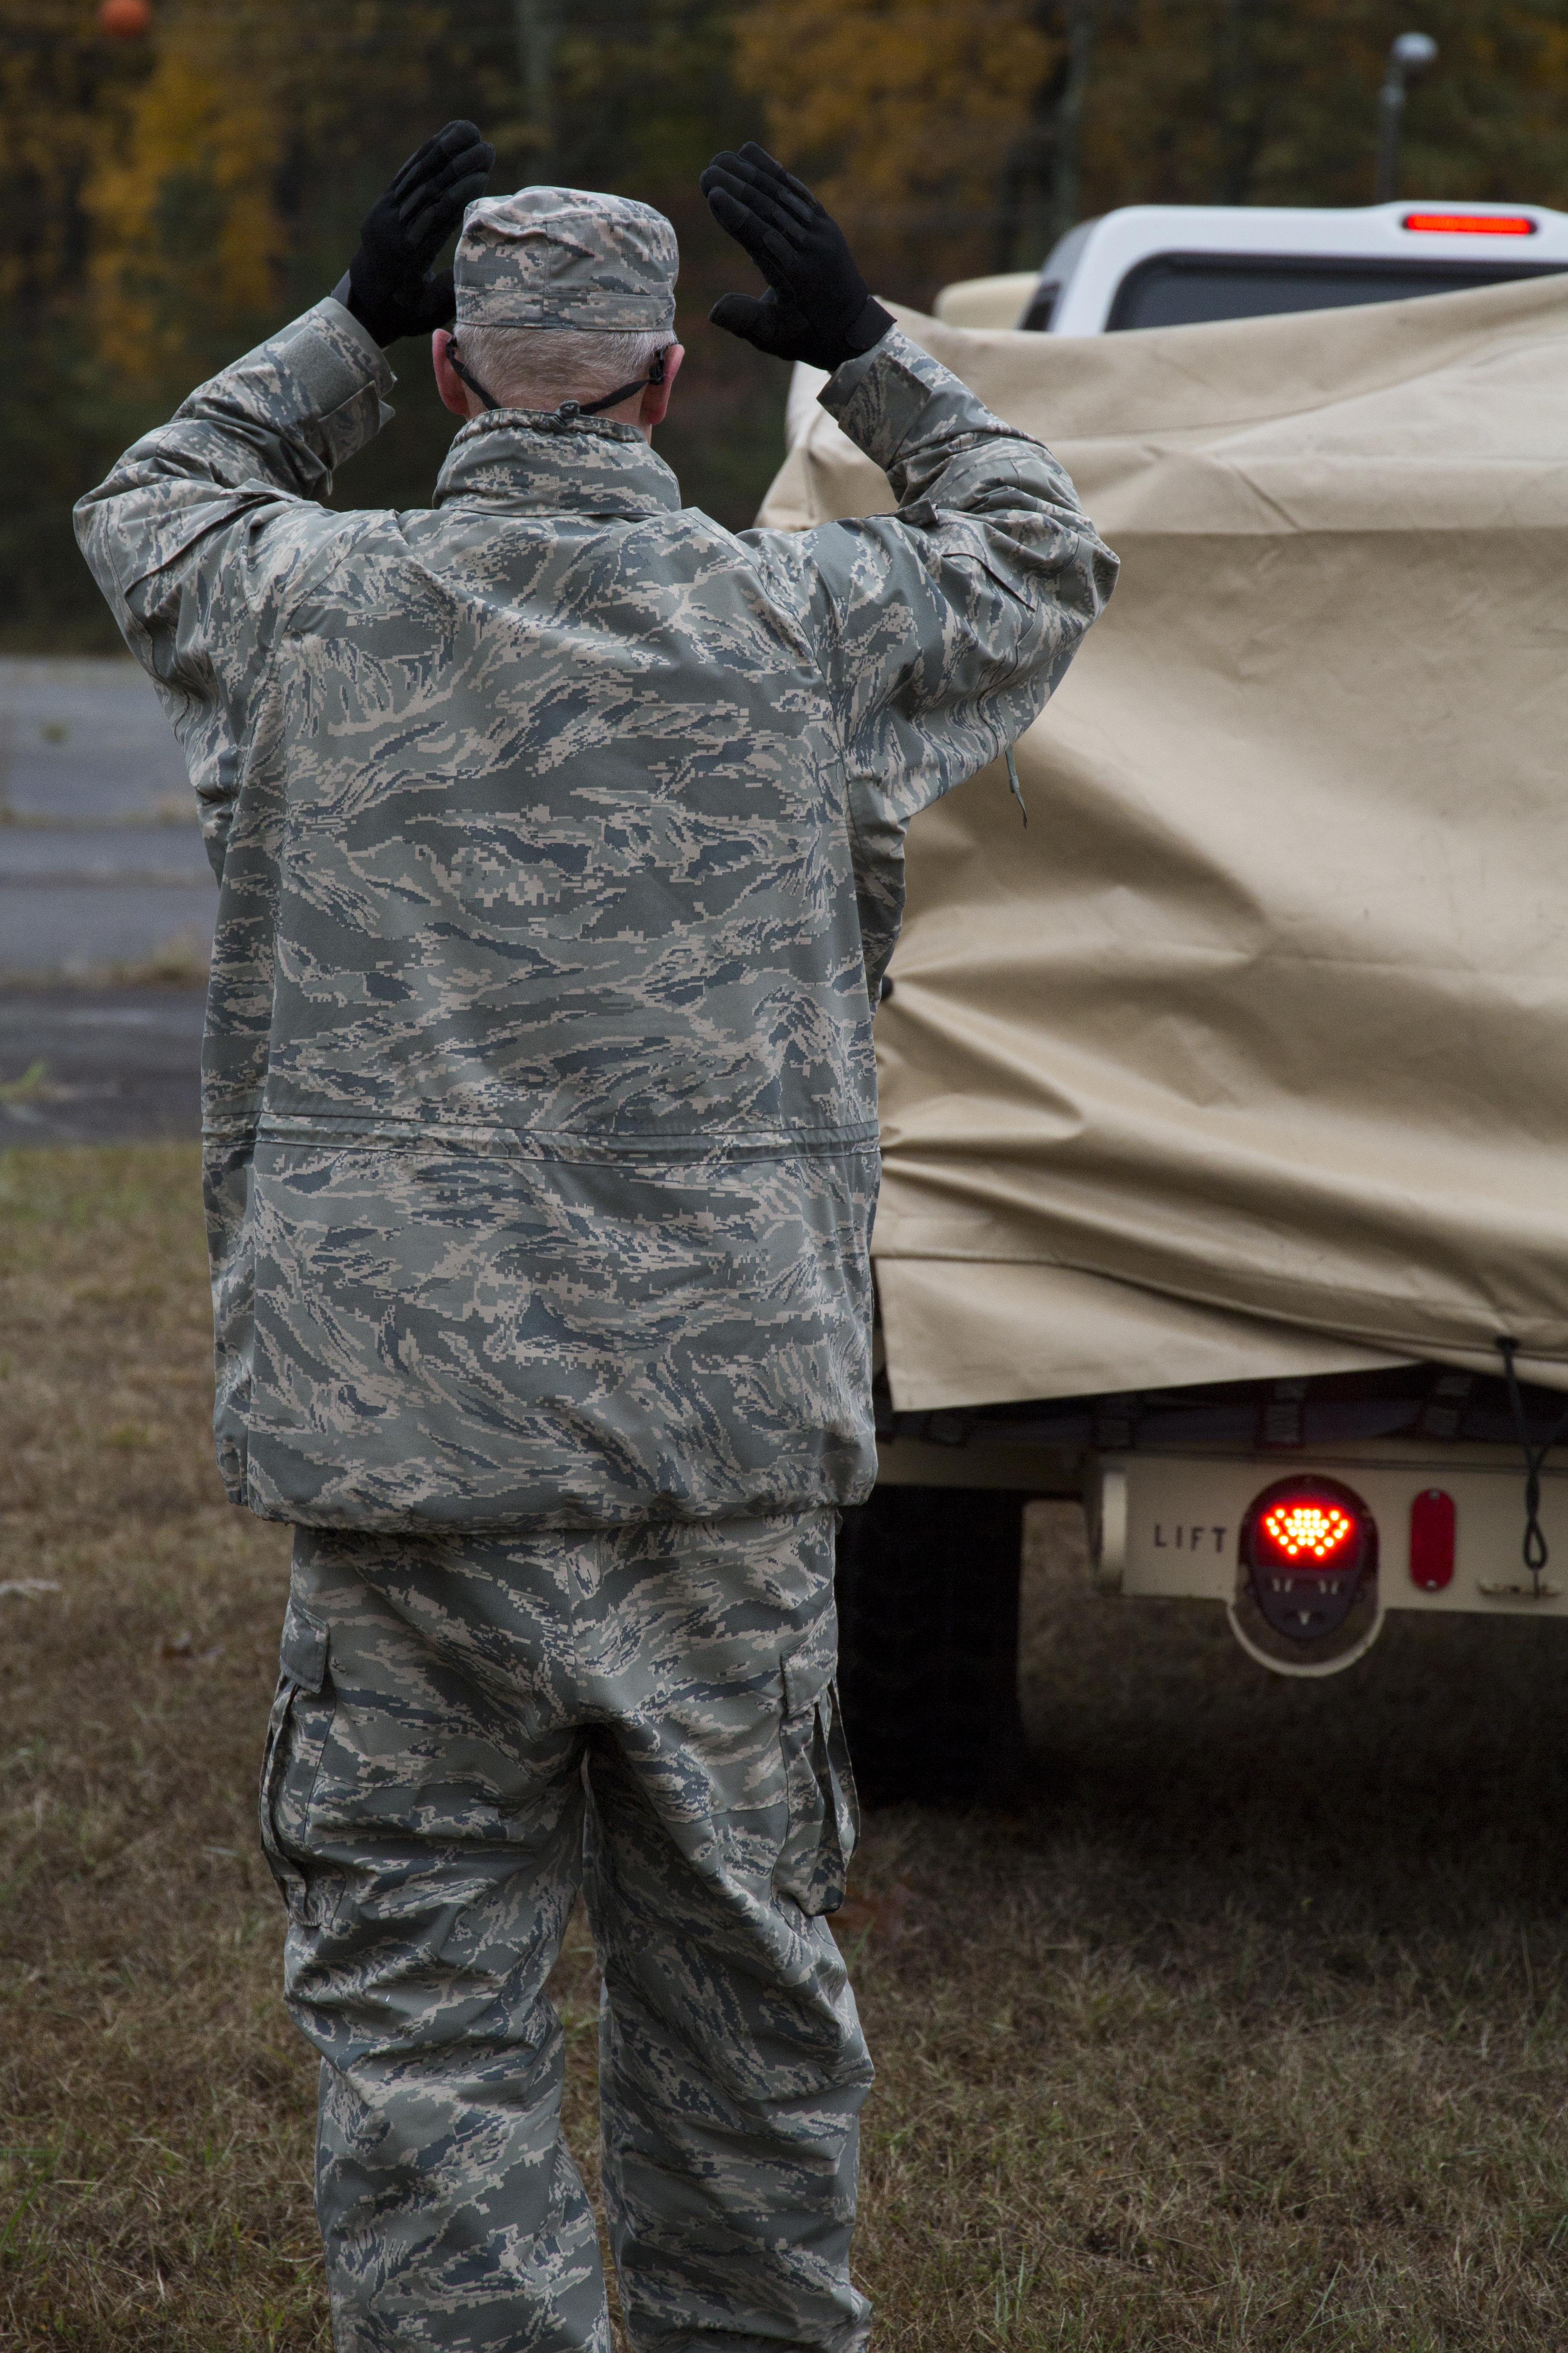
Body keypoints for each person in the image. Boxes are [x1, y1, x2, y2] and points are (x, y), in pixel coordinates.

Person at [76, 119, 1117, 2353]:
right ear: (670, 386)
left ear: (456, 376)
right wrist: (865, 355)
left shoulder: (299, 604)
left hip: (401, 1453)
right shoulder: (808, 621)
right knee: (746, 1995)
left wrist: (335, 335)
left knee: (428, 2022)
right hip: (716, 1450)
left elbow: (146, 499)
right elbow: (1039, 549)